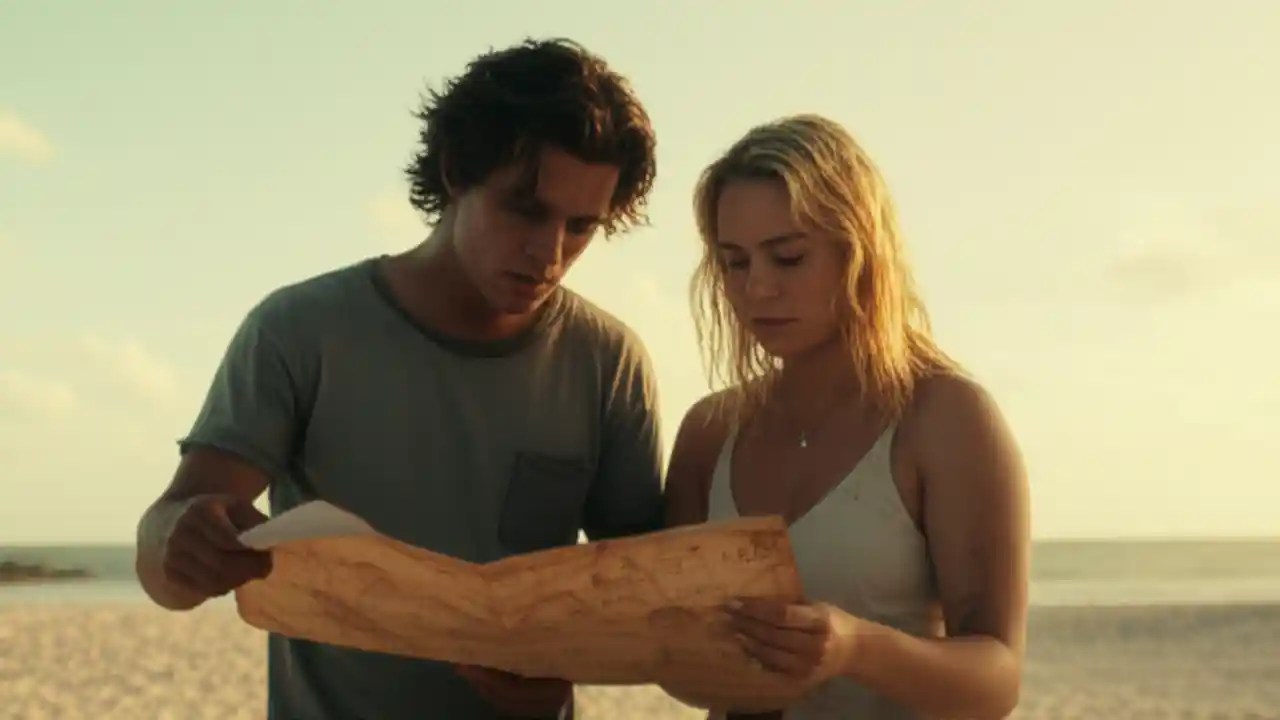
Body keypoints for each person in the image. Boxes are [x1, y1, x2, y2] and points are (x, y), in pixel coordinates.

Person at [133, 38, 665, 720]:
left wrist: (570, 663)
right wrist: (181, 543)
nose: (551, 252)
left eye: (582, 226)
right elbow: (166, 560)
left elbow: (642, 599)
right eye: (525, 210)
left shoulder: (608, 362)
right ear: (455, 172)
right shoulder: (300, 330)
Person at [662, 115, 1031, 720]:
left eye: (787, 258)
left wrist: (857, 649)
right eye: (734, 262)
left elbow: (996, 682)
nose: (757, 289)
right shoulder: (709, 432)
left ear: (859, 251)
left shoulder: (943, 420)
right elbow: (683, 668)